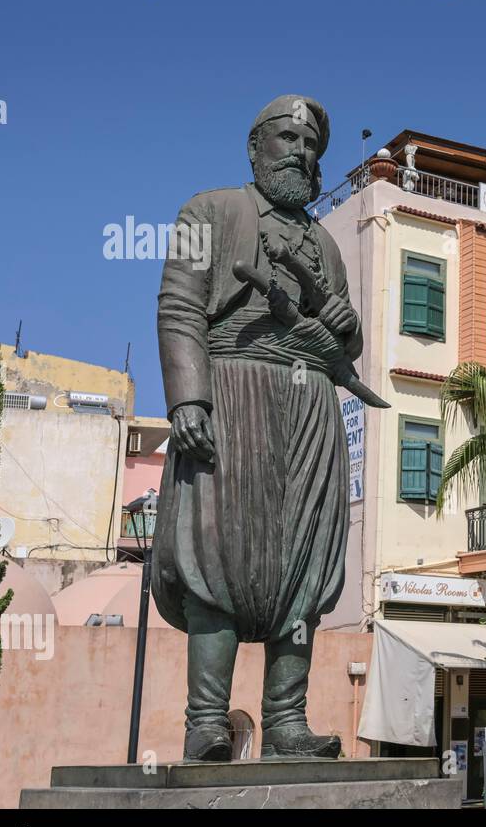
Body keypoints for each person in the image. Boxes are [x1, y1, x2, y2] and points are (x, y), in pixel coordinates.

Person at [154, 94, 377, 760]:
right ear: (255, 147)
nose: (302, 152)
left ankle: (285, 722)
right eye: (286, 138)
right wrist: (187, 399)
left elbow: (349, 341)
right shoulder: (209, 210)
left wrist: (340, 321)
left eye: (311, 146)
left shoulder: (326, 245)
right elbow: (178, 306)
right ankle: (205, 722)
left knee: (303, 560)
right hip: (230, 386)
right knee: (216, 554)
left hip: (309, 403)